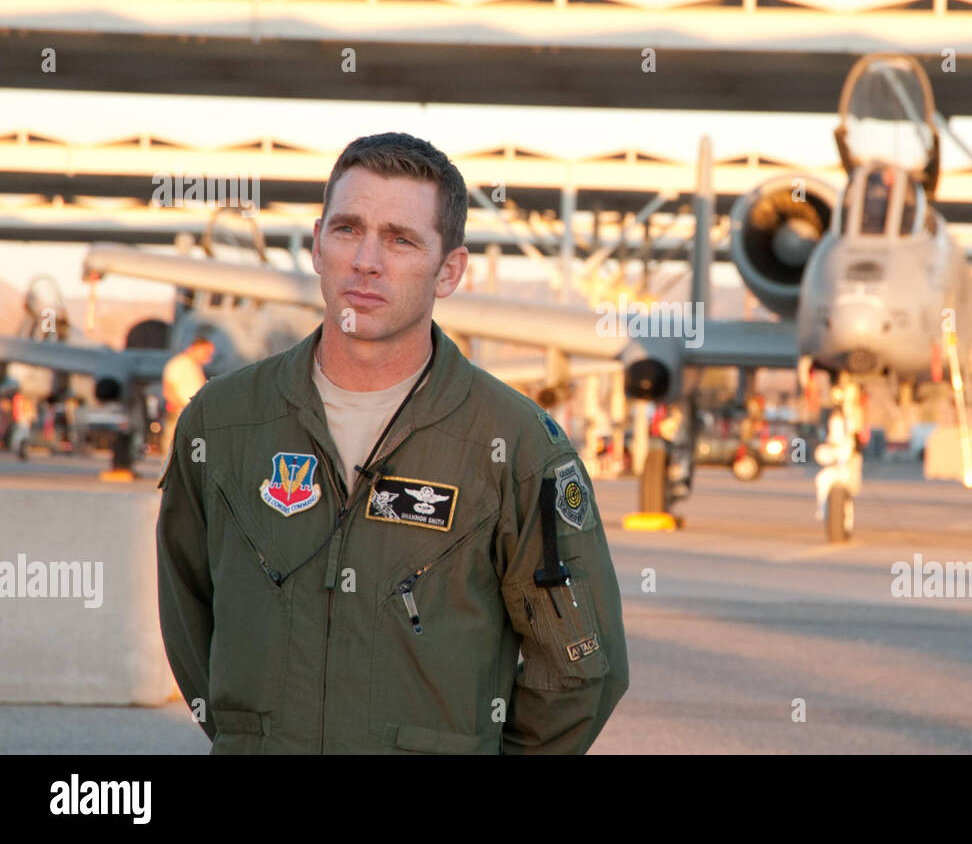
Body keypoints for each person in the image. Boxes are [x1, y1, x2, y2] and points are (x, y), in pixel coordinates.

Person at [156, 132, 628, 754]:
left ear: (448, 270)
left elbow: (581, 672)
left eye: (401, 239)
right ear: (319, 243)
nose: (366, 261)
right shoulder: (218, 426)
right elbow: (192, 625)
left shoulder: (514, 446)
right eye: (348, 230)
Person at [160, 333, 214, 460]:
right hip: (181, 412)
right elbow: (168, 388)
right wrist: (182, 408)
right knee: (174, 447)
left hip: (190, 413)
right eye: (206, 352)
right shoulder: (179, 364)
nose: (209, 357)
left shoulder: (194, 366)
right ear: (197, 348)